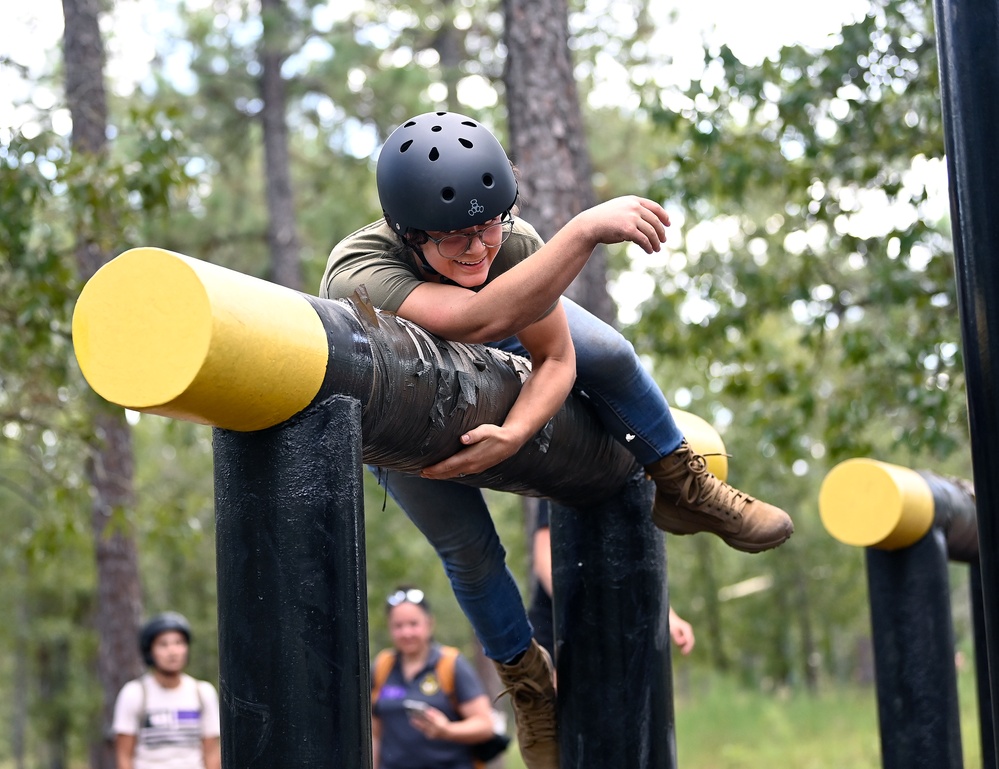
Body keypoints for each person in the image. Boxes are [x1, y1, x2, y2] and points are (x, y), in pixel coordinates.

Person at [321, 111, 793, 769]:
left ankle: (684, 483)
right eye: (456, 236)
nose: (479, 248)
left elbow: (559, 360)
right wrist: (584, 231)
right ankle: (528, 682)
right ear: (409, 233)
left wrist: (514, 431)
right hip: (392, 395)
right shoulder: (359, 273)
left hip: (496, 338)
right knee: (467, 549)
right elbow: (476, 314)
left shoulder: (508, 240)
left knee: (611, 349)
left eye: (490, 225)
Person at [528, 500, 695, 659]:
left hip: (617, 635)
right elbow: (543, 557)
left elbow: (637, 562)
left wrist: (667, 614)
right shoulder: (565, 475)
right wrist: (582, 609)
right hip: (559, 631)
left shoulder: (637, 482)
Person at [371, 587, 496, 769]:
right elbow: (375, 733)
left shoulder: (451, 663)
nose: (406, 633)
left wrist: (446, 731)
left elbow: (485, 726)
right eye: (398, 626)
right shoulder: (383, 666)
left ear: (429, 624)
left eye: (414, 624)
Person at [112, 612, 221, 769]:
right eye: (163, 644)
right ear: (150, 651)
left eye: (179, 643)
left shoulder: (203, 692)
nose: (172, 651)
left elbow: (211, 752)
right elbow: (124, 755)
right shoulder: (134, 693)